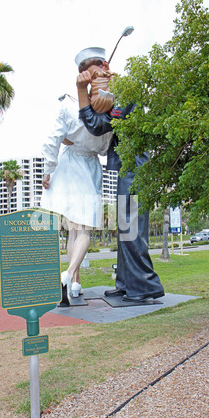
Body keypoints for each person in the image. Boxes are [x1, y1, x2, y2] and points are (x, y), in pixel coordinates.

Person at [75, 47, 164, 302]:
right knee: (125, 228)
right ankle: (126, 283)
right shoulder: (116, 91)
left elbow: (96, 125)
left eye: (90, 75)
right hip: (129, 168)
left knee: (132, 227)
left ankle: (145, 286)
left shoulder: (119, 93)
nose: (92, 81)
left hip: (135, 168)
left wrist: (82, 93)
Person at [40, 74, 113, 307]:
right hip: (89, 168)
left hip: (68, 167)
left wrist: (48, 170)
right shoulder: (108, 122)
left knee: (73, 230)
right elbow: (103, 151)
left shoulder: (70, 111)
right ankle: (70, 275)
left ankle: (76, 283)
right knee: (84, 230)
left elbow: (51, 140)